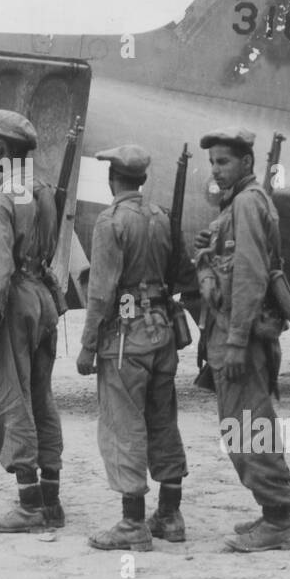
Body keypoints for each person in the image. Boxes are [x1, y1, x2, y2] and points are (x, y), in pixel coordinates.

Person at [76, 146, 193, 551]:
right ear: (140, 180)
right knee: (163, 420)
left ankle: (132, 524)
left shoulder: (111, 222)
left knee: (124, 426)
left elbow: (100, 293)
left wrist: (88, 347)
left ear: (114, 180)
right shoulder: (162, 217)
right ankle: (171, 516)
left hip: (126, 341)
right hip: (162, 335)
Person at [194, 128, 290, 552]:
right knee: (248, 423)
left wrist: (237, 341)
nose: (217, 169)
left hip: (242, 336)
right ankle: (281, 514)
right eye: (213, 162)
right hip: (235, 331)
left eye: (224, 161)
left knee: (246, 427)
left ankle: (277, 520)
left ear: (247, 163)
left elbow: (251, 276)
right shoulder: (239, 204)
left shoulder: (245, 202)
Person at [0, 110, 63, 533]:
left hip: (16, 301)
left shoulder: (0, 198)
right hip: (44, 297)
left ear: (3, 149)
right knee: (41, 397)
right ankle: (51, 500)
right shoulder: (43, 190)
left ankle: (28, 505)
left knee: (9, 398)